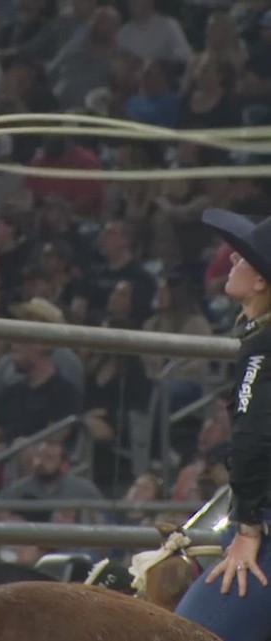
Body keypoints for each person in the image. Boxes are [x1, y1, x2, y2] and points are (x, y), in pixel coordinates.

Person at [174, 207, 271, 641]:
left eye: (242, 256)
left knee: (189, 634)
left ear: (261, 281)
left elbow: (254, 436)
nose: (230, 259)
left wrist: (248, 527)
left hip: (264, 524)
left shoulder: (264, 346)